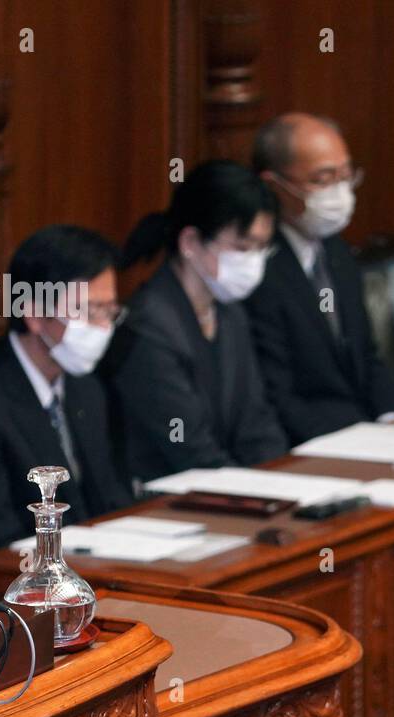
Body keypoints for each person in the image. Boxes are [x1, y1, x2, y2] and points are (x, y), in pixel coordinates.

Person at [103, 159, 288, 484]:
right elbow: (188, 449)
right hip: (167, 501)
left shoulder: (229, 311)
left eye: (262, 249)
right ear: (190, 243)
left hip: (231, 488)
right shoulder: (149, 326)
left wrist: (279, 480)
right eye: (242, 247)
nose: (253, 262)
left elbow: (256, 421)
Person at [0, 225, 134, 545]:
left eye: (109, 312)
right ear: (34, 313)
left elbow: (108, 500)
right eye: (89, 312)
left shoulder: (87, 387)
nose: (104, 328)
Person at [247, 113, 394, 444]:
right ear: (274, 185)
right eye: (322, 180)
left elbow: (368, 354)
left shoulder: (337, 251)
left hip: (370, 436)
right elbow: (277, 394)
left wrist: (392, 421)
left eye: (346, 177)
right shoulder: (256, 269)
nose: (339, 192)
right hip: (312, 444)